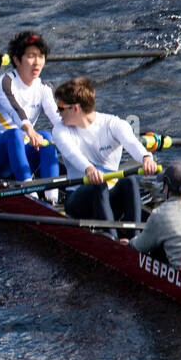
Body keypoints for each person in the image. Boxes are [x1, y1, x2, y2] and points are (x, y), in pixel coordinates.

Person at [51, 76, 158, 239]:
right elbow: (72, 154)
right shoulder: (60, 130)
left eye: (60, 108)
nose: (58, 113)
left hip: (110, 198)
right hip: (78, 200)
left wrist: (146, 157)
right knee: (98, 184)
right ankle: (113, 240)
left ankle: (133, 239)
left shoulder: (113, 124)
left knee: (129, 180)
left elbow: (131, 142)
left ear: (76, 109)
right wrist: (89, 169)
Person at [0, 30, 61, 189]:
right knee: (15, 134)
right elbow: (16, 110)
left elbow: (58, 119)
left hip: (21, 154)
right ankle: (29, 192)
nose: (37, 62)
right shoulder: (5, 83)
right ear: (16, 60)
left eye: (41, 56)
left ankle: (52, 197)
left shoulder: (44, 88)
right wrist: (30, 131)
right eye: (31, 56)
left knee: (47, 136)